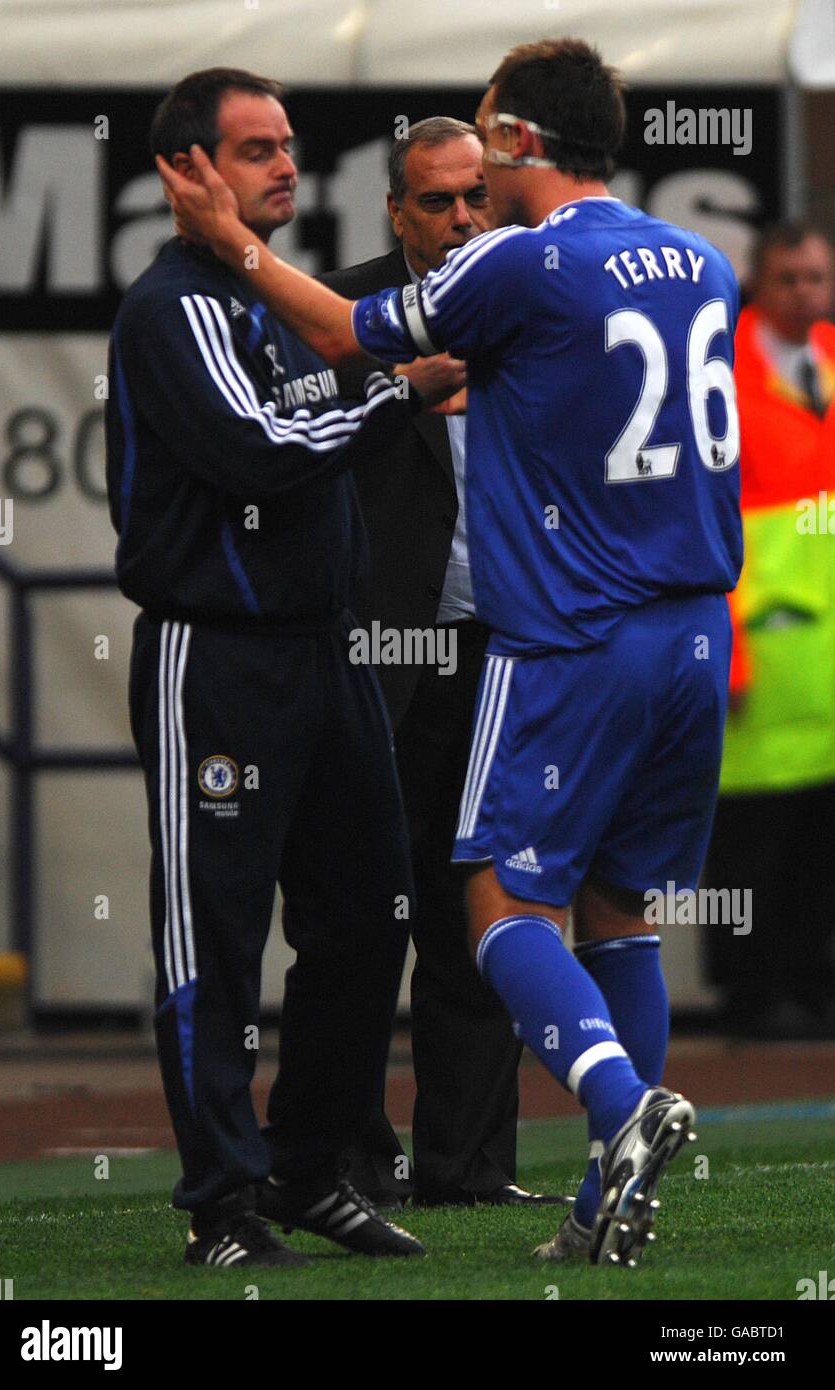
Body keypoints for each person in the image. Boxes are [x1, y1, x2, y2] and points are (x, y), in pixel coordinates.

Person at [156, 36, 742, 1267]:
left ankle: (619, 1103)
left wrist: (239, 245)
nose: (480, 163)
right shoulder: (700, 259)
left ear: (525, 142)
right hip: (698, 629)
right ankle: (604, 1193)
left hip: (579, 632)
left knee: (496, 899)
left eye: (491, 137)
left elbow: (340, 335)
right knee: (619, 909)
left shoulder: (523, 267)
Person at [106, 66, 442, 1269]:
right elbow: (258, 450)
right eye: (254, 149)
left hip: (324, 650)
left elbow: (344, 375)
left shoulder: (285, 302)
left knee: (369, 912)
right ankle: (223, 1204)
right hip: (220, 657)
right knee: (216, 935)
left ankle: (311, 1169)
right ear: (187, 172)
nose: (287, 164)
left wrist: (390, 376)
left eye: (289, 144)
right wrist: (396, 395)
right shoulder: (173, 307)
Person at [325, 116, 560, 1208]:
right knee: (366, 920)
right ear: (395, 209)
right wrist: (400, 385)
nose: (463, 216)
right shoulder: (345, 314)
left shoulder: (540, 299)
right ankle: (349, 1163)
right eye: (437, 201)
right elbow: (291, 453)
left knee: (490, 916)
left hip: (509, 654)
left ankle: (467, 1167)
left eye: (477, 195)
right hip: (382, 657)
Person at [706, 222, 835, 1039]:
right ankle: (751, 994)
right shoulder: (725, 374)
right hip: (760, 649)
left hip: (824, 664)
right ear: (759, 282)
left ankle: (811, 984)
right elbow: (708, 525)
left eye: (817, 277)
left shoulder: (830, 359)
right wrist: (728, 651)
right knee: (754, 837)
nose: (805, 292)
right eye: (788, 277)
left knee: (821, 835)